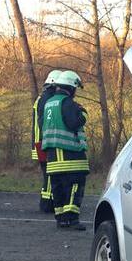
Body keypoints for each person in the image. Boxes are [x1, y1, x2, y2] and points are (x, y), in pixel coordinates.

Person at [41, 70, 89, 230]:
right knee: (75, 185)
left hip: (52, 156)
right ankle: (73, 219)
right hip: (70, 155)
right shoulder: (67, 103)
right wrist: (82, 115)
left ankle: (61, 219)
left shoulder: (49, 102)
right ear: (71, 87)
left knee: (58, 188)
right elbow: (73, 123)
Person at [32, 70, 62, 213]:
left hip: (40, 141)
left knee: (48, 174)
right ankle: (46, 205)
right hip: (43, 142)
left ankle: (47, 203)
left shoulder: (43, 98)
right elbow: (44, 122)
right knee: (49, 175)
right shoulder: (46, 99)